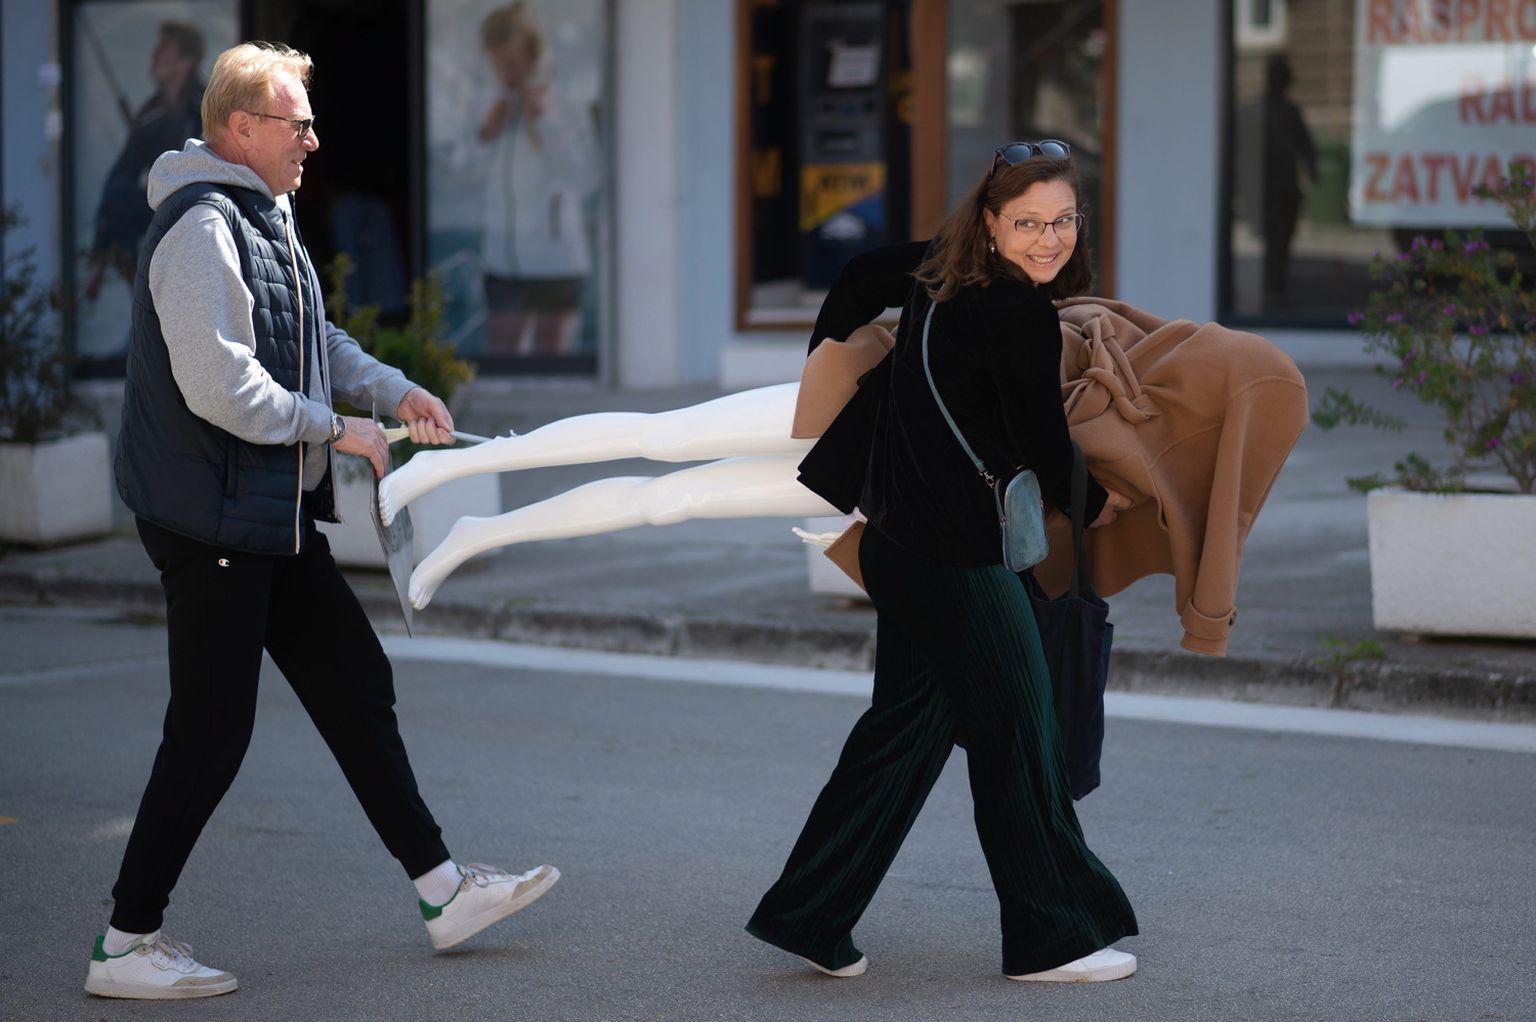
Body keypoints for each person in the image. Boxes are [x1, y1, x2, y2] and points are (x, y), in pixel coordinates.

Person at [87, 42, 558, 1001]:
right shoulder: (201, 229)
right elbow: (222, 387)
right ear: (240, 129)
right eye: (296, 123)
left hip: (268, 508)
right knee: (211, 733)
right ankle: (126, 942)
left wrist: (391, 390)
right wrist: (338, 429)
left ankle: (442, 891)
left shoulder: (266, 213)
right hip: (213, 518)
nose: (313, 139)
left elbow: (313, 340)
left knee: (353, 680)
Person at [744, 140, 1140, 981]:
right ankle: (1052, 938)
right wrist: (1097, 502)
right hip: (960, 563)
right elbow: (1043, 441)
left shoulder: (936, 272)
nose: (1049, 239)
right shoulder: (1018, 312)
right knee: (1020, 737)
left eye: (1063, 221)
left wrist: (824, 367)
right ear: (992, 222)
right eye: (1028, 222)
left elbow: (858, 275)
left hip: (898, 545)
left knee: (901, 738)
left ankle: (811, 914)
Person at [475, 2, 600, 357]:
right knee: (502, 358)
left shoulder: (562, 100)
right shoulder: (487, 104)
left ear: (531, 54)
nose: (505, 73)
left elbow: (585, 177)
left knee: (551, 361)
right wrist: (486, 134)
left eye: (511, 62)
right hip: (502, 257)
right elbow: (459, 177)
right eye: (497, 63)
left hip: (556, 258)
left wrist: (546, 122)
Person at [85, 21, 208, 303]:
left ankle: (120, 271)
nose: (154, 54)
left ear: (186, 60)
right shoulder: (152, 113)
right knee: (119, 195)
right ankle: (135, 285)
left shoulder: (205, 107)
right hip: (163, 208)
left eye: (164, 47)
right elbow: (122, 173)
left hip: (201, 211)